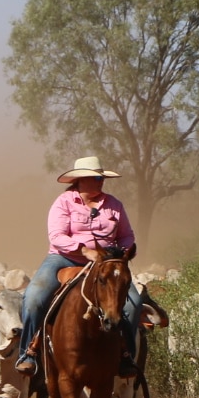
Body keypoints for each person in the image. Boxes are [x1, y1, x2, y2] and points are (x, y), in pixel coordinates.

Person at [15, 155, 140, 377]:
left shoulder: (114, 205)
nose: (100, 181)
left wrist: (119, 255)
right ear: (80, 179)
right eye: (95, 177)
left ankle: (126, 355)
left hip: (107, 261)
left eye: (101, 178)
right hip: (65, 258)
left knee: (133, 304)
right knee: (34, 297)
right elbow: (57, 236)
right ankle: (28, 353)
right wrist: (84, 250)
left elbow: (127, 235)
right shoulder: (63, 203)